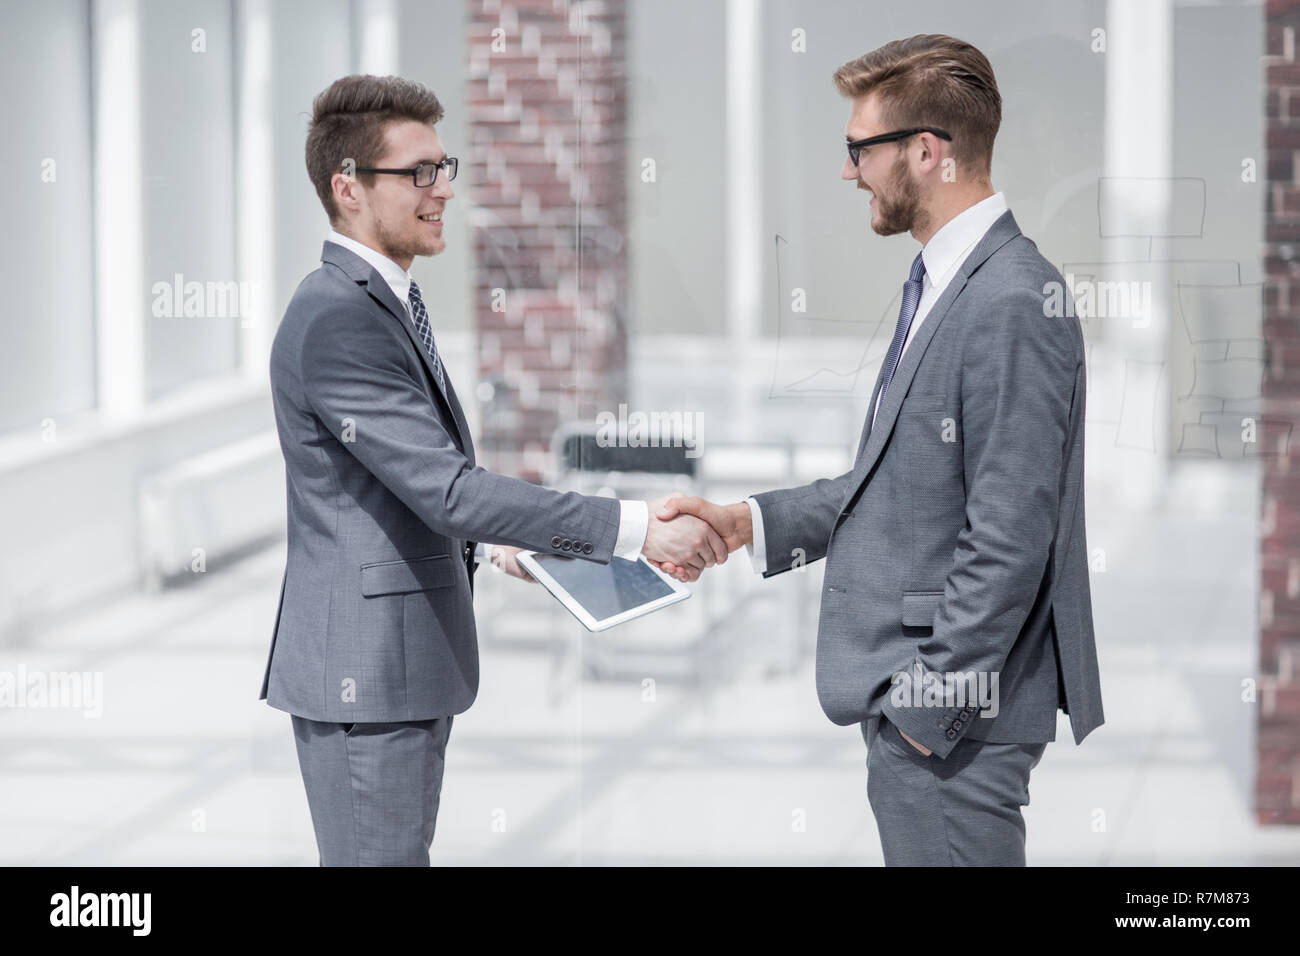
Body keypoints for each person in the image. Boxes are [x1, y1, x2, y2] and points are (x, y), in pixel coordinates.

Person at [657, 34, 1103, 866]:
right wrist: (747, 521)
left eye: (859, 149)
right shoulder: (942, 283)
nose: (846, 170)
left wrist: (923, 724)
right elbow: (893, 484)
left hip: (954, 728)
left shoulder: (1009, 298)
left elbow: (1009, 537)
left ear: (927, 152)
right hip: (935, 720)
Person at [260, 74, 725, 866]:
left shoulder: (381, 299)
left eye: (446, 168)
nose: (442, 191)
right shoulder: (340, 315)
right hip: (365, 677)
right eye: (418, 174)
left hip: (393, 667)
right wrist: (635, 528)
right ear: (348, 188)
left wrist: (496, 545)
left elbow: (404, 485)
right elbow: (447, 491)